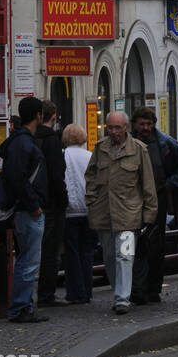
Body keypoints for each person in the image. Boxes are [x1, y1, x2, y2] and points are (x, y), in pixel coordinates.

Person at [85, 110, 157, 314]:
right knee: (109, 256)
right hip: (104, 213)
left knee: (124, 255)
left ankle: (122, 299)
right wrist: (91, 198)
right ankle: (119, 291)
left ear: (126, 127)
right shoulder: (100, 148)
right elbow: (90, 175)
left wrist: (149, 214)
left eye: (117, 127)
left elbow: (148, 184)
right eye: (110, 127)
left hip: (128, 214)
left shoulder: (139, 150)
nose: (114, 131)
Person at [130, 107, 178, 304]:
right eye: (142, 124)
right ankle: (137, 290)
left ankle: (152, 289)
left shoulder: (165, 143)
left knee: (155, 246)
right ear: (135, 125)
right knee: (134, 246)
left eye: (149, 124)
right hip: (132, 201)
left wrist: (172, 183)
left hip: (157, 199)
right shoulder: (128, 143)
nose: (146, 128)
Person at [0, 96, 50, 323]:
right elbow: (17, 178)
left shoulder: (19, 141)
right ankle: (20, 308)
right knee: (28, 262)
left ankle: (23, 305)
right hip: (27, 211)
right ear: (38, 115)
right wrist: (34, 205)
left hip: (25, 209)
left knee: (26, 260)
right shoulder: (24, 143)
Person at [34, 99, 68, 306]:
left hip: (34, 201)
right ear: (53, 116)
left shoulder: (31, 137)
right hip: (52, 203)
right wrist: (63, 200)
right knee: (50, 251)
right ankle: (46, 294)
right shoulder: (52, 140)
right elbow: (58, 175)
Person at [61, 124, 96, 305]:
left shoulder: (63, 156)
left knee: (71, 253)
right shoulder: (90, 156)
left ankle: (75, 292)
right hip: (89, 211)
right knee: (87, 252)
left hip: (70, 212)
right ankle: (87, 291)